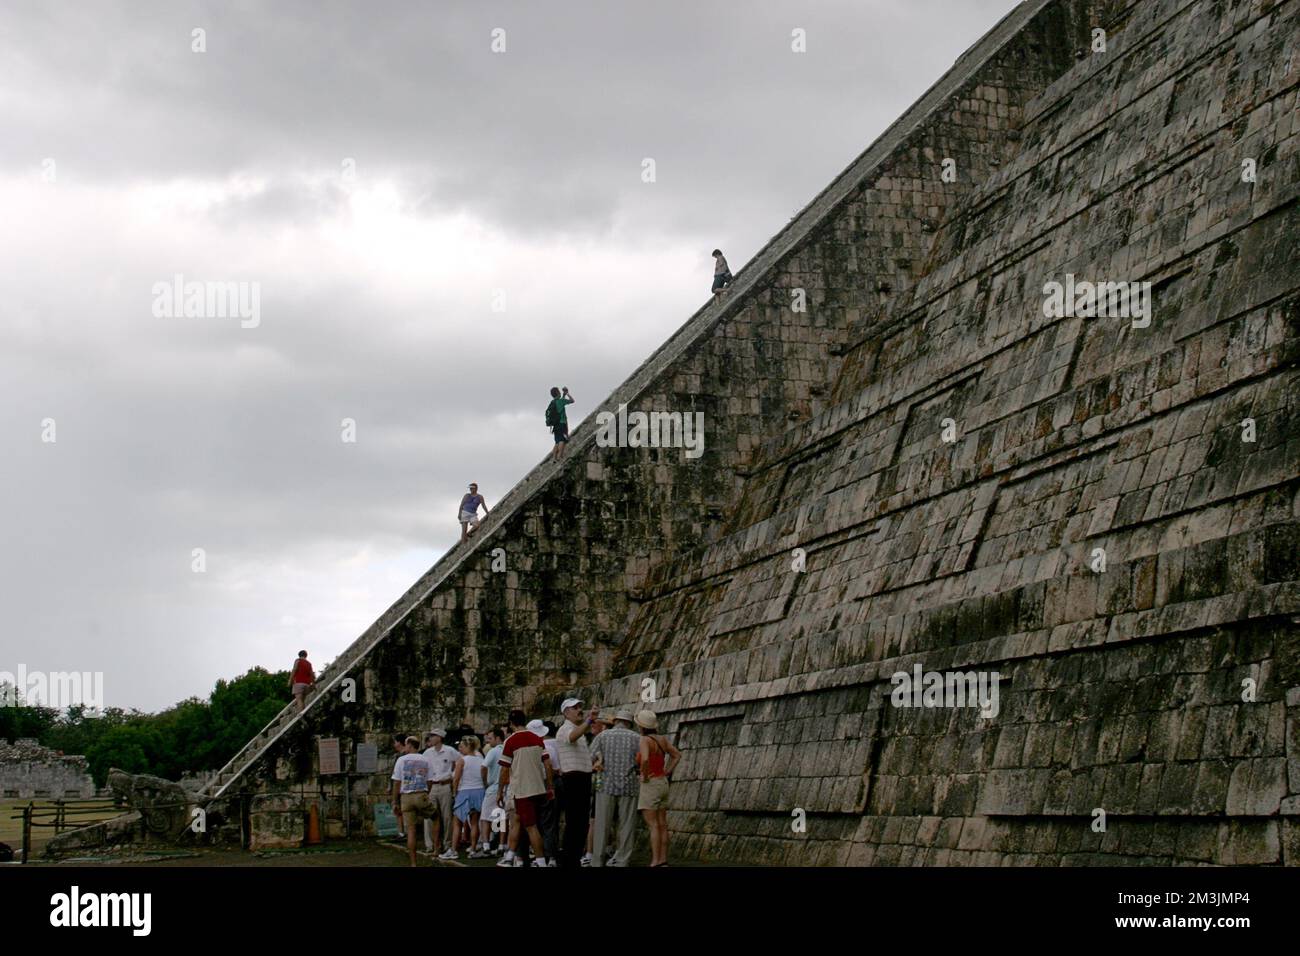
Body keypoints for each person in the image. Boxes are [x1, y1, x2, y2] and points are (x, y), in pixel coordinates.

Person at [497, 709, 554, 868]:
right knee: (526, 823)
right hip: (539, 788)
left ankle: (540, 861)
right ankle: (511, 856)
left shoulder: (510, 741)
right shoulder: (537, 739)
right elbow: (547, 764)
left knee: (530, 827)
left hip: (522, 790)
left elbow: (504, 769)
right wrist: (550, 786)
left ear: (511, 723)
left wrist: (499, 791)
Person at [590, 710, 641, 867]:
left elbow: (590, 757)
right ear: (629, 723)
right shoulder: (637, 738)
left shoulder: (603, 736)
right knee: (626, 825)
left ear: (616, 721)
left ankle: (597, 860)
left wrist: (599, 762)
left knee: (601, 825)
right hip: (630, 786)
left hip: (606, 785)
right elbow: (642, 760)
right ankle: (622, 861)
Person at [636, 710, 681, 867]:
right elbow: (676, 755)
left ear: (641, 726)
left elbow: (645, 760)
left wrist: (645, 775)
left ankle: (655, 861)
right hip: (662, 782)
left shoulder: (644, 740)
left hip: (651, 783)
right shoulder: (662, 739)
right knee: (662, 823)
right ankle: (663, 860)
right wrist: (667, 771)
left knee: (653, 824)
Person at [554, 697, 596, 868]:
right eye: (575, 707)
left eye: (580, 706)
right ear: (566, 713)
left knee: (580, 822)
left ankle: (573, 857)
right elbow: (572, 737)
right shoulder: (565, 729)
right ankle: (569, 859)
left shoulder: (578, 731)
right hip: (573, 778)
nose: (579, 709)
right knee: (575, 821)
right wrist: (589, 720)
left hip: (582, 778)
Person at [390, 736, 435, 866]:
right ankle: (437, 846)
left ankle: (413, 862)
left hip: (406, 796)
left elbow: (397, 782)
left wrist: (395, 801)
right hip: (421, 793)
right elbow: (430, 780)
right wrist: (427, 792)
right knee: (436, 817)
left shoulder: (401, 760)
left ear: (409, 745)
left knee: (411, 830)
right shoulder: (426, 759)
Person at [422, 728, 457, 859]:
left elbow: (460, 763)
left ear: (440, 737)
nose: (431, 738)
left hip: (445, 785)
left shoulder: (450, 751)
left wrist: (452, 776)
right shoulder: (427, 753)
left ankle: (447, 843)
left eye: (434, 735)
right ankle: (429, 844)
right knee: (429, 816)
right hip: (431, 785)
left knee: (447, 816)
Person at [452, 735, 487, 858]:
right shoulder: (481, 759)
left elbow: (456, 779)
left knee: (457, 822)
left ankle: (453, 850)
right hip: (479, 790)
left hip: (465, 790)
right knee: (474, 822)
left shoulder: (462, 760)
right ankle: (473, 848)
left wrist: (454, 792)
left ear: (467, 746)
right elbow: (484, 777)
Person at [479, 726, 506, 856]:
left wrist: (485, 782)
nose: (489, 741)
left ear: (498, 738)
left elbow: (483, 767)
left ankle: (486, 845)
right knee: (500, 818)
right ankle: (501, 845)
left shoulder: (493, 751)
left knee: (485, 817)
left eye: (490, 738)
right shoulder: (507, 749)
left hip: (492, 788)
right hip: (505, 788)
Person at [546, 386, 575, 460]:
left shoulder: (553, 402)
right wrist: (567, 393)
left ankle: (554, 458)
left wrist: (564, 395)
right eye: (559, 391)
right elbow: (572, 400)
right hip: (562, 423)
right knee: (563, 440)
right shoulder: (561, 401)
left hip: (556, 425)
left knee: (557, 441)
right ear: (557, 393)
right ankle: (560, 456)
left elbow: (560, 402)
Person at [390, 733, 409, 842]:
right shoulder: (399, 756)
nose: (394, 744)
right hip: (397, 783)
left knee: (400, 809)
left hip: (402, 786)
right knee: (398, 810)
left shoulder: (403, 756)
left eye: (395, 742)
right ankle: (401, 831)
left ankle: (403, 832)